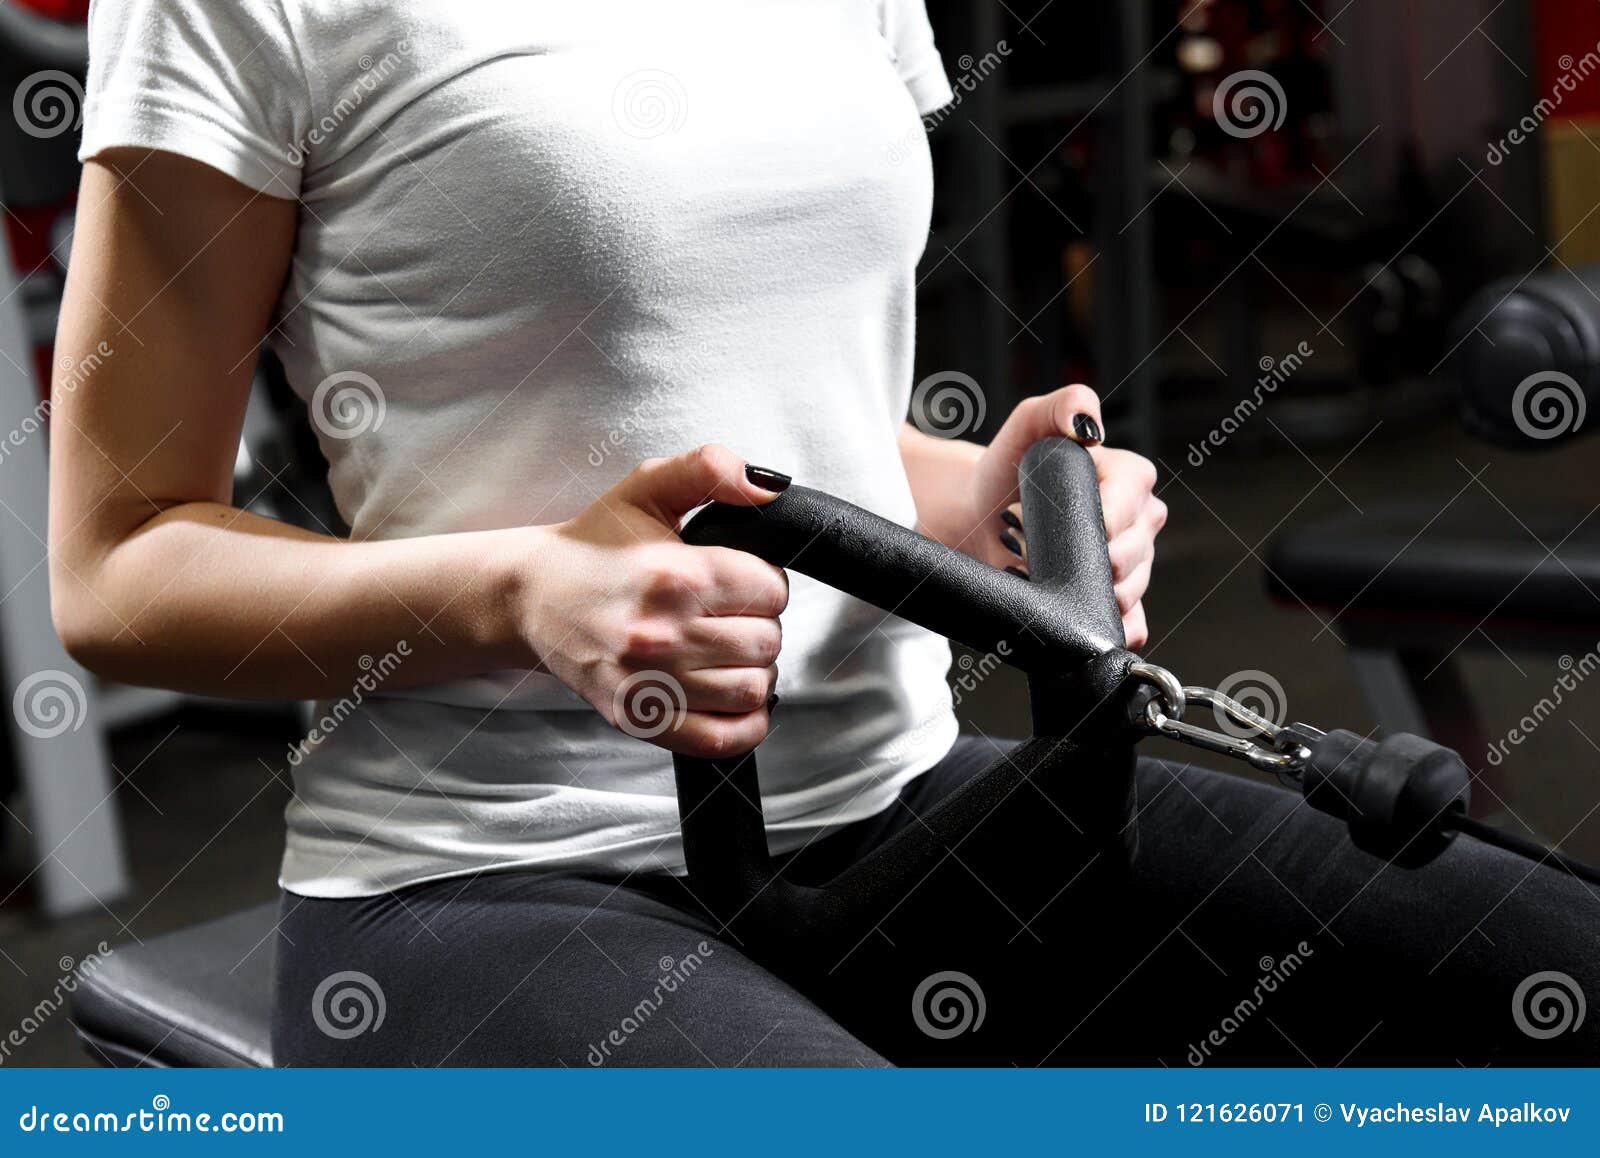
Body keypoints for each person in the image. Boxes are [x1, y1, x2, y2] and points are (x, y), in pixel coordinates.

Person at [51, 1, 1598, 1066]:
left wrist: (976, 502)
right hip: (490, 880)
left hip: (899, 811)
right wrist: (522, 590)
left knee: (1554, 983)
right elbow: (119, 566)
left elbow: (800, 423)